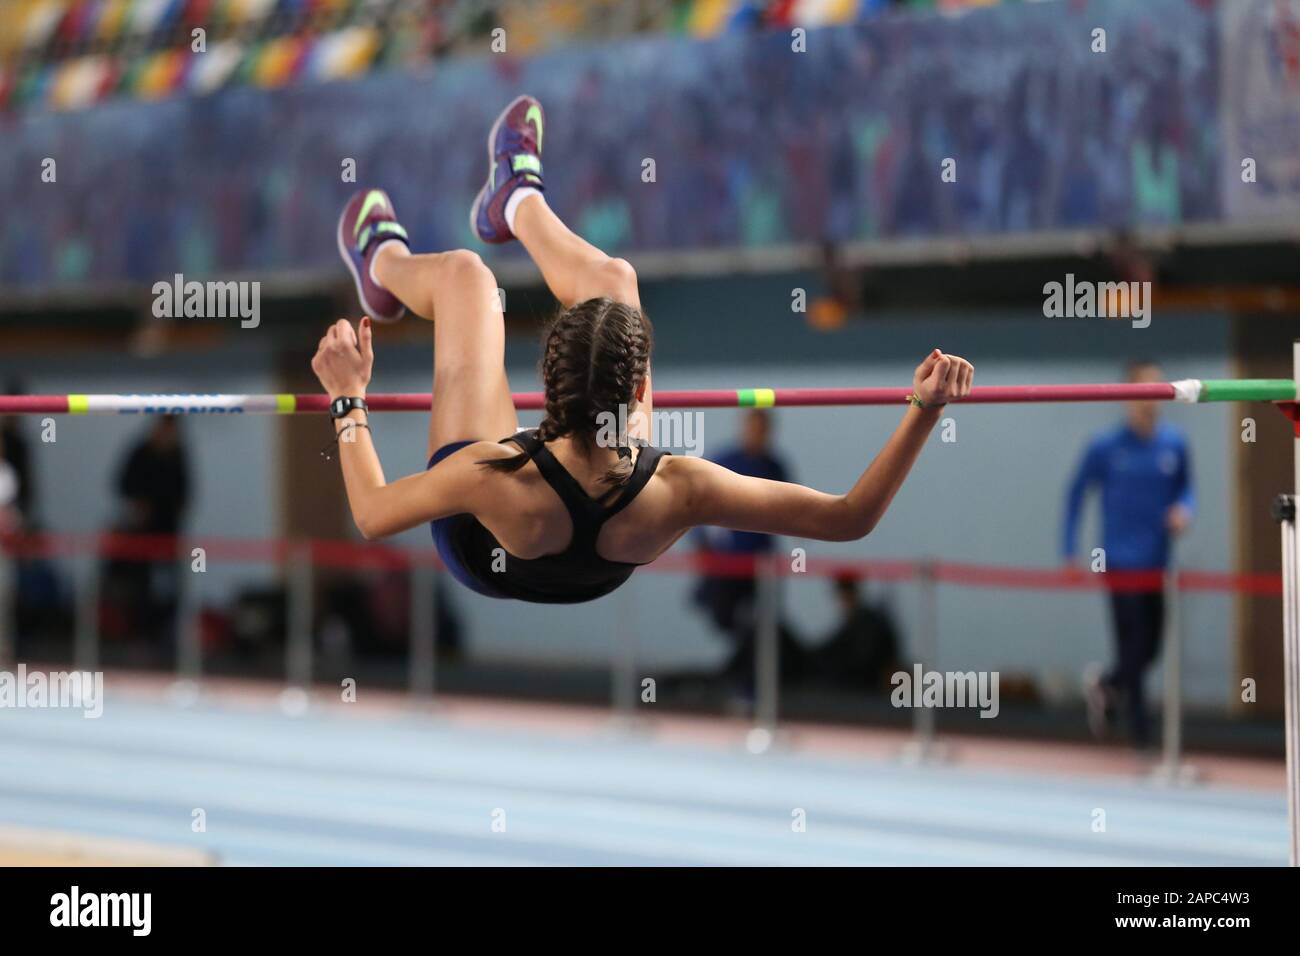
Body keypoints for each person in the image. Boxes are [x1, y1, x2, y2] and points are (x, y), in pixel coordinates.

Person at [319, 95, 973, 605]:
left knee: (468, 281)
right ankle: (514, 198)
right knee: (616, 282)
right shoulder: (679, 487)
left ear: (550, 382)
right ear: (639, 394)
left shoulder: (489, 476)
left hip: (483, 545)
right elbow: (849, 518)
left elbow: (374, 514)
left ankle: (385, 263)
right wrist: (924, 407)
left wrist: (348, 398)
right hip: (607, 548)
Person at [1063, 359, 1194, 748]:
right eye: (1145, 390)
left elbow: (1187, 490)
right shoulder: (1105, 447)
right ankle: (1141, 734)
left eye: (1159, 389)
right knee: (1134, 644)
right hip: (1119, 562)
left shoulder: (1175, 444)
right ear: (1128, 394)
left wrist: (1185, 510)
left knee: (1150, 647)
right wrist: (1070, 550)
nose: (1151, 400)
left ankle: (1107, 684)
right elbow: (1075, 495)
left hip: (1158, 562)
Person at [692, 410, 798, 690]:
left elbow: (788, 512)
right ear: (744, 428)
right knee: (729, 620)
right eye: (752, 427)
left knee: (760, 628)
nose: (757, 434)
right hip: (727, 566)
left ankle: (751, 687)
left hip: (760, 566)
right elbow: (697, 506)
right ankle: (741, 678)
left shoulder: (775, 467)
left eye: (762, 428)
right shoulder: (725, 461)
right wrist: (703, 549)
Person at [807, 573, 900, 692]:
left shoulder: (866, 622)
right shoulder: (858, 622)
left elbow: (862, 661)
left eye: (845, 594)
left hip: (865, 689)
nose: (843, 601)